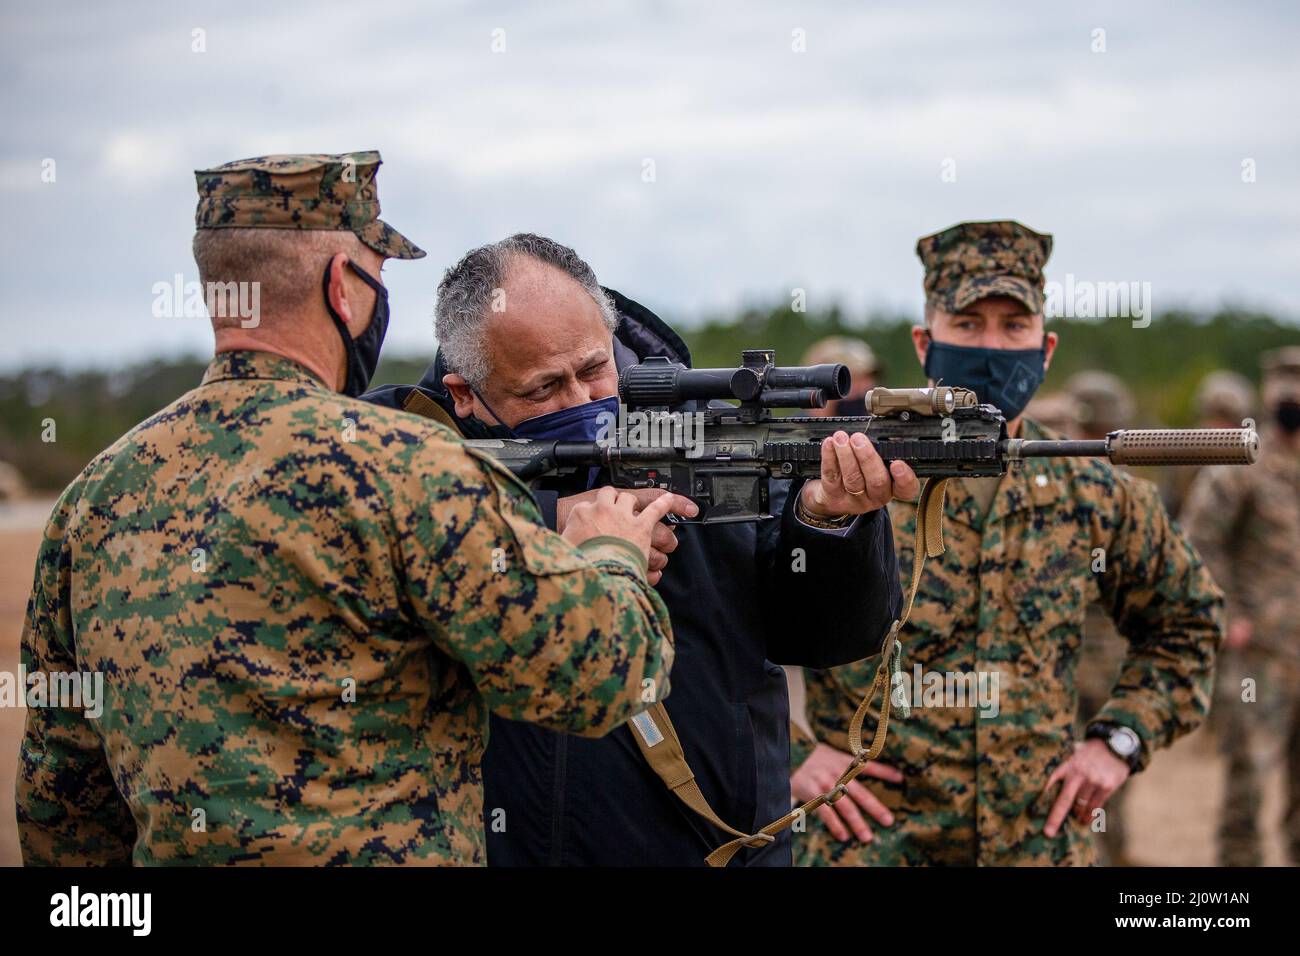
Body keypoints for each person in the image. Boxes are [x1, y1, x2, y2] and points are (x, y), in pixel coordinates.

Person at [16, 153, 682, 866]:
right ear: (344, 286)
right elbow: (603, 678)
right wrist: (610, 552)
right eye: (379, 275)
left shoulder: (93, 498)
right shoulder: (414, 469)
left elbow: (61, 798)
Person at [364, 233, 915, 865]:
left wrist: (825, 522)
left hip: (714, 844)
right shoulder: (398, 457)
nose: (582, 401)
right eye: (543, 390)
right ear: (466, 394)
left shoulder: (708, 430)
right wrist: (546, 525)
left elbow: (823, 637)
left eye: (594, 369)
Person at [791, 220, 1222, 866]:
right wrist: (789, 752)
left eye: (1013, 326)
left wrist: (1120, 740)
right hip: (870, 850)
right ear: (924, 343)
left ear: (1045, 349)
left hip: (1037, 846)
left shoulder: (1091, 487)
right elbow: (717, 626)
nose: (992, 345)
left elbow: (1188, 620)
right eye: (968, 324)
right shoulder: (846, 475)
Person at [1180, 348, 1300, 866]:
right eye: (1284, 387)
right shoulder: (1243, 464)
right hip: (1263, 656)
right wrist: (1228, 615)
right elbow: (1198, 541)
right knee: (1247, 779)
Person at [1063, 370, 1138, 866]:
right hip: (1075, 660)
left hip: (1103, 657)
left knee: (1102, 772)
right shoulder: (1060, 486)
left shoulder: (1121, 493)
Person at [801, 337, 881, 416]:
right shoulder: (794, 427)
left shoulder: (877, 425)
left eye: (868, 378)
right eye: (854, 379)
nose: (865, 387)